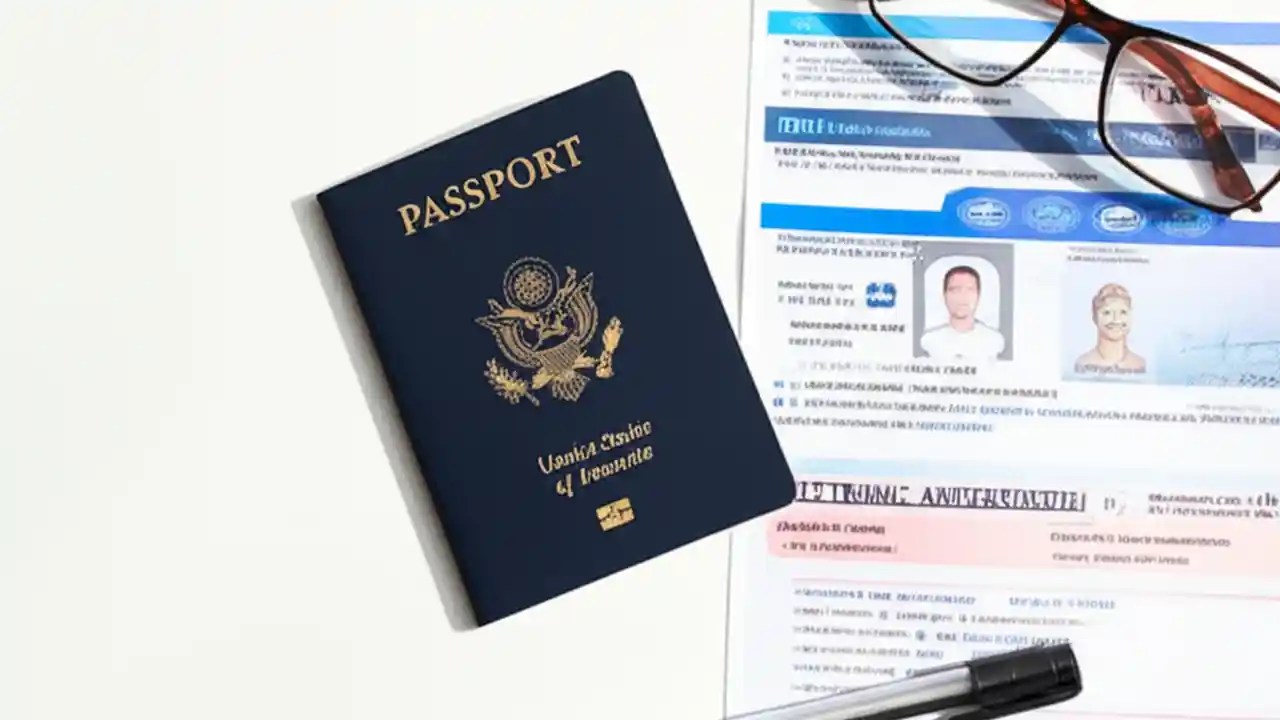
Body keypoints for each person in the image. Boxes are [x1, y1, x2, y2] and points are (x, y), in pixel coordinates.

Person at [920, 264, 1006, 361]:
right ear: (944, 295)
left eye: (969, 290)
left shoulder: (994, 341)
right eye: (955, 290)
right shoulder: (929, 340)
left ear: (978, 295)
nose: (962, 296)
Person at [1075, 283, 1147, 374]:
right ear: (1095, 317)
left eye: (1123, 312)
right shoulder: (1083, 364)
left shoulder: (1140, 364)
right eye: (1107, 312)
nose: (1116, 319)